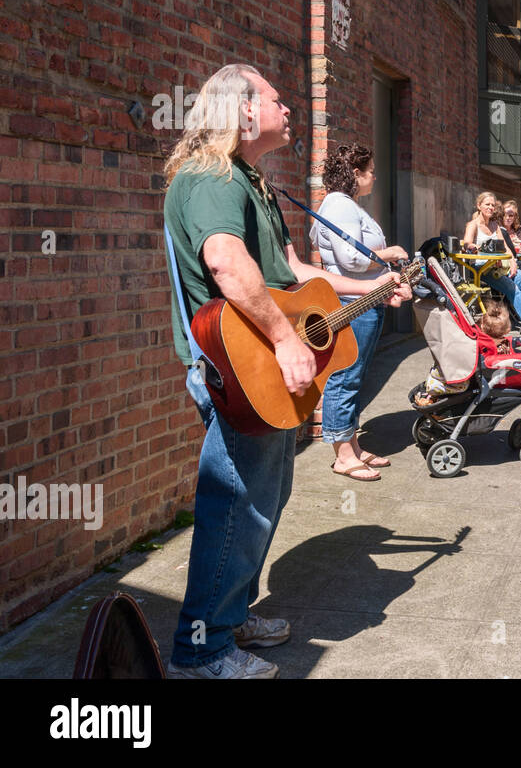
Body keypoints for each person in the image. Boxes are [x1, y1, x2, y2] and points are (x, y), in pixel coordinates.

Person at [162, 65, 411, 678]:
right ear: (244, 111)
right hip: (239, 366)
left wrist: (373, 288)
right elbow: (225, 262)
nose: (290, 109)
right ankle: (202, 651)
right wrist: (283, 339)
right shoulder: (213, 177)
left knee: (265, 497)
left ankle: (230, 614)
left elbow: (297, 275)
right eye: (277, 100)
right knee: (237, 504)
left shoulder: (252, 180)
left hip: (262, 367)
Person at [313, 143, 410, 481]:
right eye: (370, 171)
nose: (373, 177)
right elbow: (352, 259)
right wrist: (390, 252)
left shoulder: (346, 205)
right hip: (351, 304)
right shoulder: (340, 205)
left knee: (355, 374)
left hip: (363, 301)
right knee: (345, 375)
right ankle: (342, 454)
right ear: (355, 174)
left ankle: (351, 444)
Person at [462, 191, 521, 339]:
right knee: (513, 288)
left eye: (492, 205)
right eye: (487, 204)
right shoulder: (473, 224)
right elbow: (466, 242)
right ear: (479, 206)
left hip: (500, 266)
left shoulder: (495, 225)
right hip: (483, 268)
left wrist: (512, 262)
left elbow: (506, 248)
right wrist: (472, 246)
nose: (490, 207)